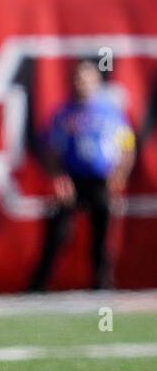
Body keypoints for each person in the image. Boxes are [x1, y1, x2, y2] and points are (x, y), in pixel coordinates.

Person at [31, 60, 136, 291]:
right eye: (78, 78)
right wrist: (58, 176)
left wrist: (119, 173)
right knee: (58, 231)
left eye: (87, 78)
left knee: (102, 235)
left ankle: (101, 286)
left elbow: (128, 146)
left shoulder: (111, 113)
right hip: (72, 180)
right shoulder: (63, 114)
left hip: (100, 181)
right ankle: (39, 287)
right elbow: (50, 149)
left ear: (97, 82)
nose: (82, 83)